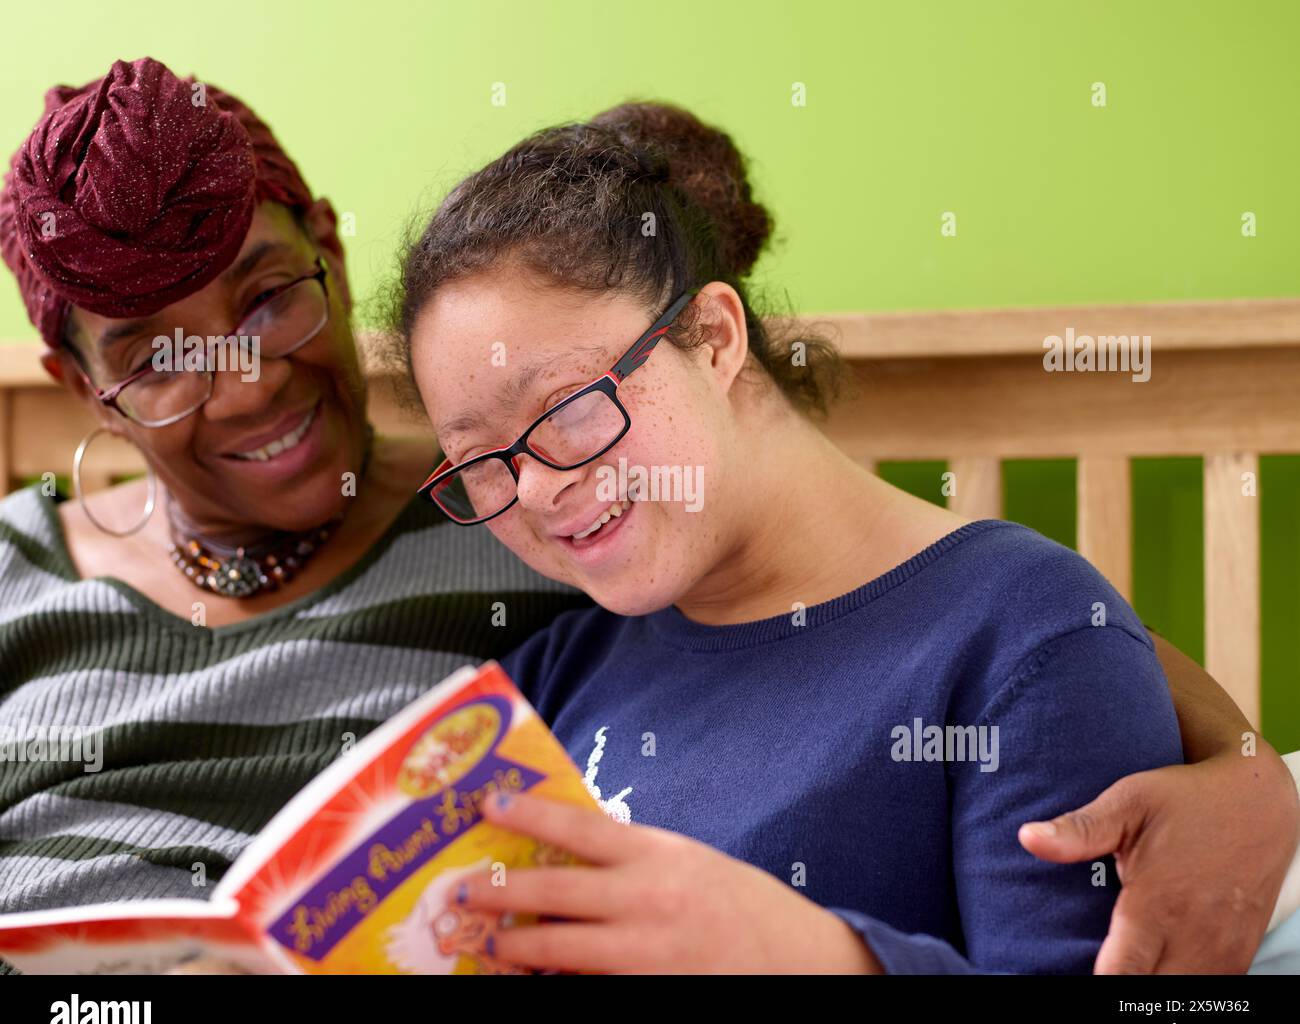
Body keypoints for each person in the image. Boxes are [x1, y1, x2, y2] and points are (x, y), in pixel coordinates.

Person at [392, 101, 1300, 973]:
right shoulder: (551, 680)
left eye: (569, 408)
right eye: (480, 462)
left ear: (713, 338)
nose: (536, 488)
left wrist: (819, 957)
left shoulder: (1024, 639)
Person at [0, 58, 586, 975]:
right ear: (86, 392)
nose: (247, 388)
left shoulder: (527, 515)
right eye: (158, 361)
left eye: (268, 301)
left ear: (332, 256)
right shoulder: (14, 569)